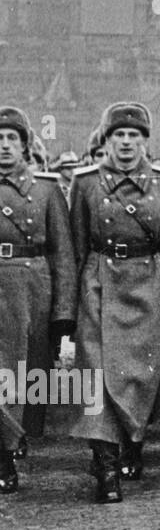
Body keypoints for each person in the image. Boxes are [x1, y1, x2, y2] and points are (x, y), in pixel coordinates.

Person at [65, 103, 160, 502]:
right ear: (106, 140)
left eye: (135, 136)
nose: (127, 143)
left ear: (145, 141)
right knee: (96, 372)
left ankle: (132, 440)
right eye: (119, 135)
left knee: (138, 374)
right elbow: (75, 249)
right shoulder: (84, 184)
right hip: (98, 284)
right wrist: (69, 308)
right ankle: (105, 465)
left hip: (148, 283)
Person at [0, 107, 76, 491]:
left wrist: (64, 312)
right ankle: (4, 454)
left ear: (26, 145)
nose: (3, 146)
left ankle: (15, 438)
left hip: (34, 286)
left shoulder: (45, 189)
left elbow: (63, 254)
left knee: (29, 369)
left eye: (12, 138)